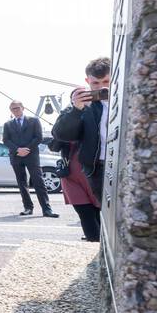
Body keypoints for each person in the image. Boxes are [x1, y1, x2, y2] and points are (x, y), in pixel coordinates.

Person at [52, 57, 112, 204]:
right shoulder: (82, 104)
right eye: (95, 83)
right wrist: (76, 110)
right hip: (97, 168)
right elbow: (60, 134)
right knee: (106, 212)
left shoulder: (128, 99)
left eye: (106, 82)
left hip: (123, 164)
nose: (101, 88)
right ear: (87, 82)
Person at [3, 101, 57, 217]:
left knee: (38, 181)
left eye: (17, 108)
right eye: (12, 109)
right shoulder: (7, 124)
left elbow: (38, 137)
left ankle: (47, 209)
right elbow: (6, 140)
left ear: (23, 108)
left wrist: (26, 149)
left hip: (31, 155)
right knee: (22, 183)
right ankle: (28, 207)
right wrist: (18, 150)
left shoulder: (34, 121)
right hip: (16, 156)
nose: (15, 110)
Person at [49, 133, 101, 241]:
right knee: (85, 213)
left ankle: (100, 242)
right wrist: (63, 129)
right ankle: (94, 240)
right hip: (70, 176)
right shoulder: (66, 121)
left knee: (97, 211)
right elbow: (54, 147)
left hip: (93, 174)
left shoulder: (93, 119)